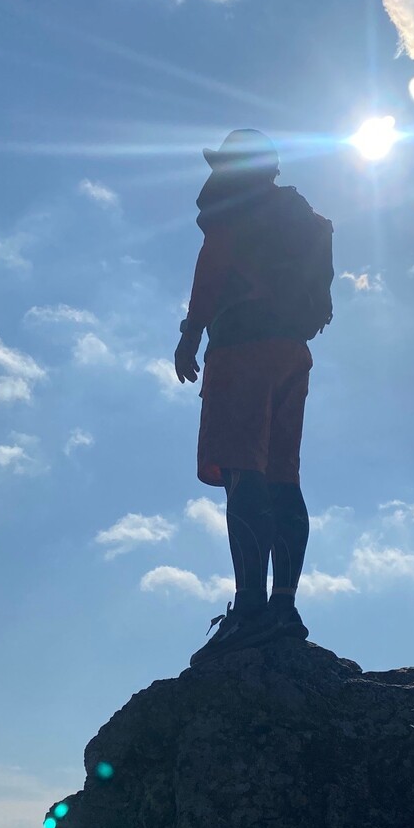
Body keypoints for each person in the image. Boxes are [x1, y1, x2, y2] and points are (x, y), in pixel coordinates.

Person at [174, 129, 334, 666]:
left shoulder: (233, 207)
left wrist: (191, 333)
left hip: (240, 347)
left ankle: (248, 610)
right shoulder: (303, 219)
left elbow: (212, 269)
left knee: (244, 473)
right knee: (283, 479)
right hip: (293, 354)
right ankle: (284, 608)